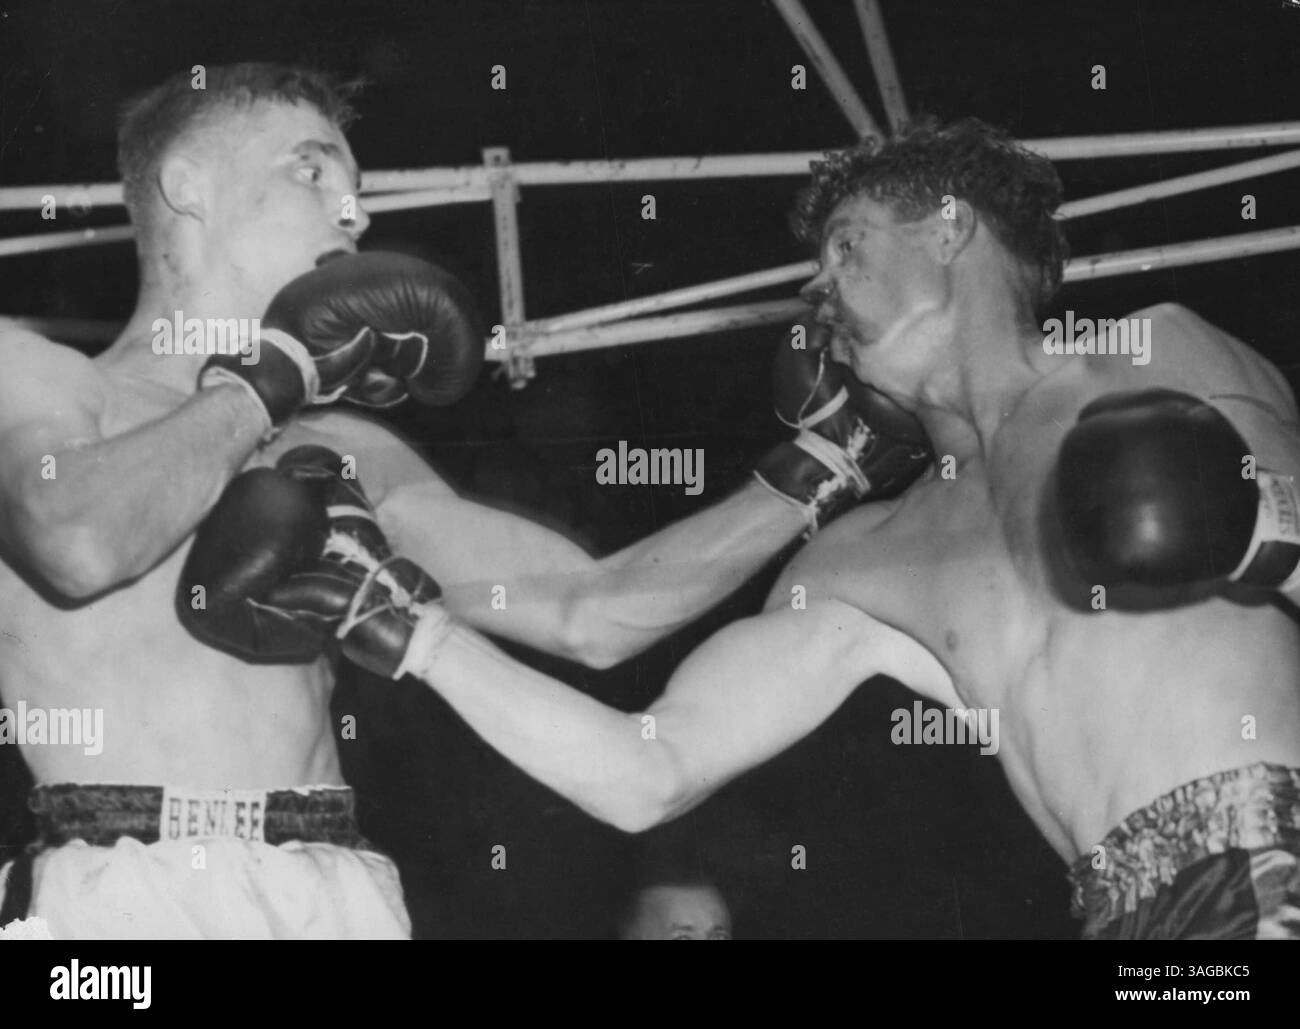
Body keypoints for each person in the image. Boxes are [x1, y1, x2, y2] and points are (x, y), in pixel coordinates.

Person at [228, 118, 1300, 939]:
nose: (816, 283)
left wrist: (1257, 530)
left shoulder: (1150, 356)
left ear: (949, 228)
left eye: (846, 242)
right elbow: (648, 770)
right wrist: (414, 634)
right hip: (1130, 921)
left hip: (1276, 852)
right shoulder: (867, 558)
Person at [0, 62, 930, 939]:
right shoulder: (39, 381)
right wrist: (264, 382)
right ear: (185, 184)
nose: (353, 212)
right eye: (310, 171)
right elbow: (76, 539)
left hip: (331, 888)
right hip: (120, 890)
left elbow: (591, 611)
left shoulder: (339, 449)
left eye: (353, 186)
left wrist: (825, 461)